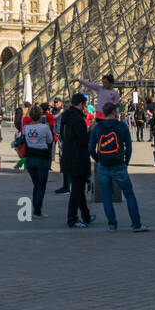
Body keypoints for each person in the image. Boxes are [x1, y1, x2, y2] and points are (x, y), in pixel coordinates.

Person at [88, 102, 147, 231]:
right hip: (119, 164)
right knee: (129, 194)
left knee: (106, 196)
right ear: (115, 112)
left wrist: (98, 160)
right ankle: (136, 224)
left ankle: (112, 224)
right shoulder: (121, 126)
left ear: (103, 113)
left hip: (103, 165)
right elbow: (129, 148)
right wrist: (126, 162)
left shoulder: (97, 128)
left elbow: (90, 148)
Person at [54, 94, 93, 226]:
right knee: (77, 189)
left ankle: (86, 215)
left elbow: (65, 137)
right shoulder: (78, 119)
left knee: (79, 188)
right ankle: (72, 219)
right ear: (81, 104)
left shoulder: (66, 116)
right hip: (78, 158)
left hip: (68, 156)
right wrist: (90, 131)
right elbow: (84, 140)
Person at [16, 105, 54, 219]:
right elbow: (50, 140)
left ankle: (36, 208)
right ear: (40, 115)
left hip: (30, 157)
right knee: (42, 185)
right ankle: (38, 210)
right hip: (42, 157)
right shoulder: (44, 127)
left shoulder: (26, 128)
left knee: (36, 184)